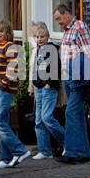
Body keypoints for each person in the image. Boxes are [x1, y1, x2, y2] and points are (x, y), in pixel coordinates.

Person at [54, 3, 90, 164]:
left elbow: (89, 51)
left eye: (59, 18)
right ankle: (84, 152)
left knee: (71, 113)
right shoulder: (68, 31)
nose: (58, 22)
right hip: (68, 77)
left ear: (67, 14)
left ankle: (71, 152)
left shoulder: (79, 27)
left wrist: (81, 75)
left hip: (76, 78)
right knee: (77, 114)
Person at [0, 19, 30, 170]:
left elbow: (14, 69)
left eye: (2, 31)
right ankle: (6, 158)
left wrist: (1, 85)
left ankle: (20, 150)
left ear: (8, 33)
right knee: (2, 123)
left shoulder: (10, 46)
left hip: (4, 90)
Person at [30, 22, 64, 160]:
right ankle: (45, 151)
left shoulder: (52, 48)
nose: (39, 39)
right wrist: (34, 85)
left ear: (48, 36)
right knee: (38, 120)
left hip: (48, 88)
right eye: (37, 37)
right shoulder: (38, 50)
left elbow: (56, 67)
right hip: (39, 88)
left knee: (46, 117)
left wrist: (49, 83)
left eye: (42, 36)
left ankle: (67, 141)